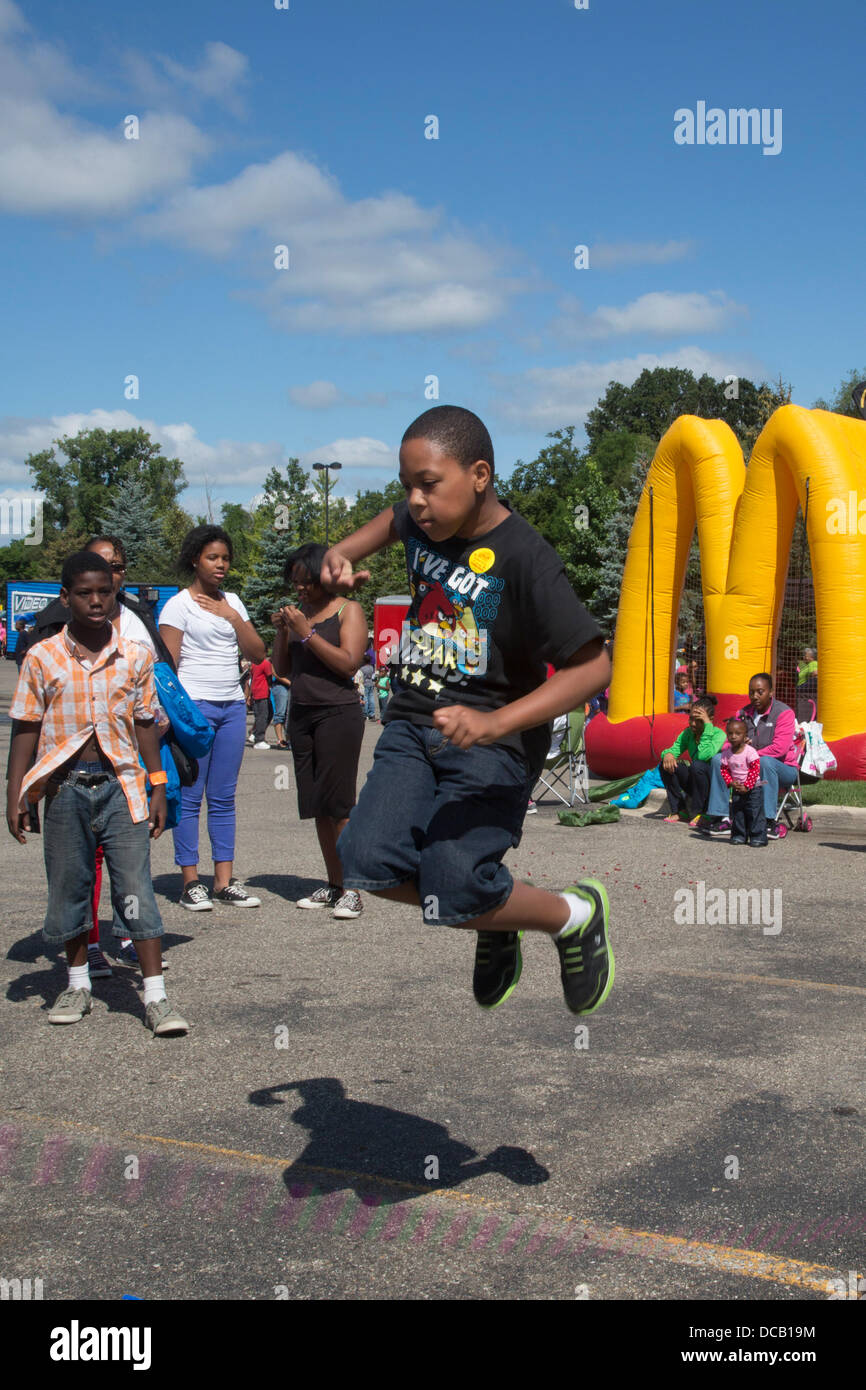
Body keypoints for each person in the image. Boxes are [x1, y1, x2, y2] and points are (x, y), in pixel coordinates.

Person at [321, 404, 613, 1016]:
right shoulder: (422, 522)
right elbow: (391, 521)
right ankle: (492, 915)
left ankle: (572, 914)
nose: (416, 501)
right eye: (408, 485)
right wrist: (342, 551)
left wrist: (495, 723)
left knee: (454, 883)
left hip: (495, 744)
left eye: (429, 484)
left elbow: (593, 668)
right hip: (413, 724)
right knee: (363, 858)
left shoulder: (527, 558)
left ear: (479, 474)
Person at [5, 552, 188, 1034]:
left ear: (114, 594)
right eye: (84, 593)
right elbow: (25, 726)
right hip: (64, 789)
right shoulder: (42, 657)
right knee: (69, 887)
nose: (95, 601)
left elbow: (145, 723)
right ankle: (78, 982)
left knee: (135, 888)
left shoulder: (135, 654)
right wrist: (15, 791)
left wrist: (158, 784)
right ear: (65, 597)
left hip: (122, 786)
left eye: (104, 592)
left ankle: (155, 996)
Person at [158, 525, 267, 909]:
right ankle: (191, 881)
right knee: (190, 796)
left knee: (223, 797)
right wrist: (171, 716)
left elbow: (258, 652)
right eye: (212, 558)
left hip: (233, 707)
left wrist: (232, 617)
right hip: (195, 709)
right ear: (195, 560)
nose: (221, 565)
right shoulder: (178, 605)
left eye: (225, 558)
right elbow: (166, 665)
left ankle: (223, 881)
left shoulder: (233, 601)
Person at [271, 542, 367, 919]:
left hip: (338, 714)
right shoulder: (299, 615)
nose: (299, 589)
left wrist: (307, 632)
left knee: (340, 803)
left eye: (305, 581)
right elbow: (282, 668)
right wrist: (283, 632)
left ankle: (354, 888)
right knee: (318, 806)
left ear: (324, 577)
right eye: (294, 582)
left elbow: (347, 664)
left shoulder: (348, 610)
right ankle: (334, 884)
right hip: (303, 714)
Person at [699, 673, 798, 839]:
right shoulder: (743, 714)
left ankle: (766, 821)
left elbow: (779, 749)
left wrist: (749, 755)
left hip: (782, 769)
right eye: (751, 692)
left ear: (771, 692)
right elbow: (728, 742)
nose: (755, 696)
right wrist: (733, 750)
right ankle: (721, 817)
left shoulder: (784, 713)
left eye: (760, 691)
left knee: (766, 762)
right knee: (718, 759)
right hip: (748, 768)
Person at [659, 695, 726, 823]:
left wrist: (707, 727)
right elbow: (674, 749)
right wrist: (667, 754)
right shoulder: (688, 733)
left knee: (698, 765)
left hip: (713, 785)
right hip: (696, 781)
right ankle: (679, 811)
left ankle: (701, 812)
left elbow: (703, 755)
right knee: (665, 764)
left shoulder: (719, 735)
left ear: (709, 720)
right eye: (691, 719)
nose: (693, 723)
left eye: (699, 720)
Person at [720, 718, 765, 846]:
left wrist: (748, 786)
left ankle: (758, 837)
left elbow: (755, 769)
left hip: (753, 788)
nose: (733, 736)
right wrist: (731, 783)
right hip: (737, 788)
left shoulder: (750, 752)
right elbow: (724, 770)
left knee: (754, 811)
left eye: (738, 734)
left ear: (745, 735)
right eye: (730, 733)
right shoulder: (726, 754)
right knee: (738, 812)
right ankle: (739, 835)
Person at [247, 656, 275, 748]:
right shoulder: (265, 663)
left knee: (266, 714)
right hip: (262, 691)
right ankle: (259, 739)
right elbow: (269, 676)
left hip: (256, 691)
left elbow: (251, 678)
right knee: (263, 716)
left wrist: (250, 695)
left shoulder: (255, 663)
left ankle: (255, 734)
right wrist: (271, 685)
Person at [270, 664, 291, 748]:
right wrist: (289, 682)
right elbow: (274, 672)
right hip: (280, 685)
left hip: (291, 685)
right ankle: (280, 740)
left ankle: (289, 740)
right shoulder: (277, 653)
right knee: (280, 713)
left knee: (289, 715)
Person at [796, 646, 818, 722]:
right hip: (800, 690)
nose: (804, 657)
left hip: (804, 691)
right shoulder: (805, 665)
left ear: (811, 656)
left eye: (805, 655)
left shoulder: (813, 663)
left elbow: (815, 673)